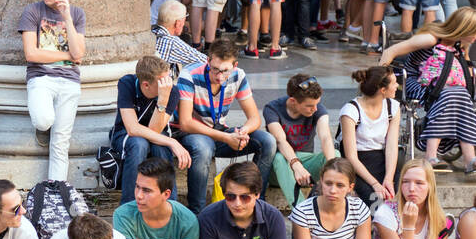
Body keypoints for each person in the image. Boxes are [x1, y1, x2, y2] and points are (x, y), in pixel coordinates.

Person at [380, 7, 476, 174]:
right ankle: (431, 156)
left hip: (446, 84)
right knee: (450, 94)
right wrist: (379, 83)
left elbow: (466, 66)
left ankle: (470, 159)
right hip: (417, 81)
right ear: (465, 28)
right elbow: (390, 52)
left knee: (462, 95)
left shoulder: (461, 43)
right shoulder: (431, 39)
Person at [175, 39, 276, 215]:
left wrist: (242, 133)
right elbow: (185, 122)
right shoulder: (189, 74)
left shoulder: (239, 75)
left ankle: (256, 203)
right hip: (193, 133)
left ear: (234, 66)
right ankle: (197, 213)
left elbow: (254, 118)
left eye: (225, 71)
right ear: (208, 61)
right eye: (215, 69)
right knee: (203, 147)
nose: (219, 76)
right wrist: (226, 138)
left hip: (221, 132)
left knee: (267, 141)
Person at [19, 0, 86, 181]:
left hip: (69, 82)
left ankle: (55, 192)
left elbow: (80, 51)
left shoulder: (76, 14)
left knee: (61, 141)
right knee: (43, 120)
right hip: (41, 78)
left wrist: (66, 18)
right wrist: (68, 57)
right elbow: (31, 54)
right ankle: (44, 128)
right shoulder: (33, 11)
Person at [109, 54, 191, 206]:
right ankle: (129, 208)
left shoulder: (171, 91)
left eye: (169, 78)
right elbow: (132, 128)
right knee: (139, 144)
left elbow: (155, 130)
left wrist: (162, 100)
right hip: (125, 134)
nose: (168, 84)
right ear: (146, 85)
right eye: (163, 82)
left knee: (159, 146)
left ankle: (170, 207)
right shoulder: (127, 83)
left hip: (157, 134)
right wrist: (172, 142)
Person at [264, 74, 336, 205]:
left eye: (317, 104)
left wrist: (332, 169)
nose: (315, 109)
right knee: (278, 158)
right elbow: (281, 141)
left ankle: (327, 203)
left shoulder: (316, 108)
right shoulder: (272, 109)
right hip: (282, 167)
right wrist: (296, 166)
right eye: (309, 106)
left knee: (334, 155)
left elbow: (325, 137)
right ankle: (301, 210)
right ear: (293, 101)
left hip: (307, 164)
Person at [338, 66, 402, 208]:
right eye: (394, 83)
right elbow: (351, 156)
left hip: (383, 159)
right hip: (358, 163)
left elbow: (391, 146)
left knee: (398, 198)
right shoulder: (351, 111)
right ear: (383, 90)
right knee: (376, 202)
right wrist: (374, 184)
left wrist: (388, 178)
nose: (397, 86)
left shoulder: (393, 107)